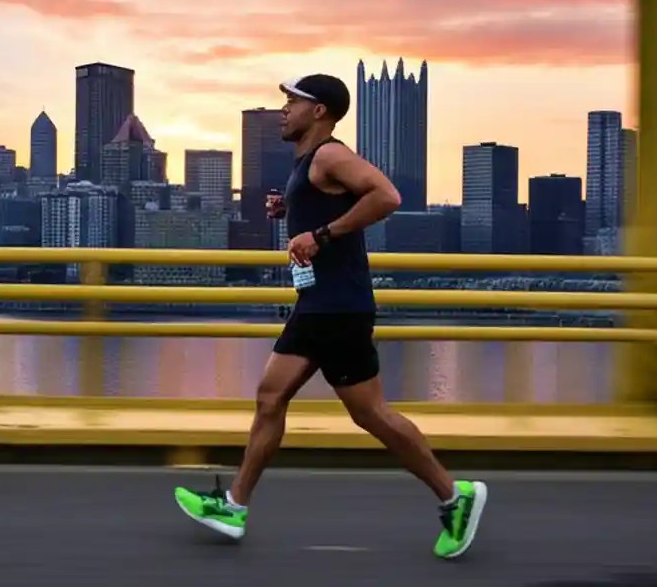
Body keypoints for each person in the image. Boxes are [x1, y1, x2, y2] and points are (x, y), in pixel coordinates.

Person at [174, 73, 487, 559]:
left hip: (337, 306)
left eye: (291, 102)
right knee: (276, 398)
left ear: (318, 111)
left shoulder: (330, 154)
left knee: (366, 413)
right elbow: (327, 202)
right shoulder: (307, 163)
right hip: (321, 304)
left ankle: (455, 496)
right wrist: (289, 209)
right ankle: (234, 505)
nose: (282, 110)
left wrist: (320, 235)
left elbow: (386, 196)